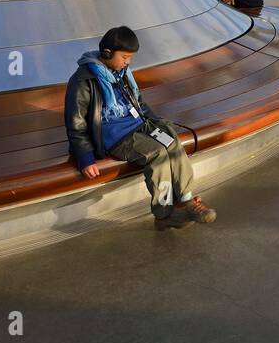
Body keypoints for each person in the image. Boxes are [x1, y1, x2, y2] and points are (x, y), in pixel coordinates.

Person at [65, 26, 216, 230]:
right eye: (125, 56)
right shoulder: (84, 80)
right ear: (107, 53)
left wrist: (158, 122)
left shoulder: (122, 73)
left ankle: (186, 200)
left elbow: (138, 103)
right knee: (158, 154)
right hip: (116, 136)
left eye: (130, 57)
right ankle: (164, 213)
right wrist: (84, 156)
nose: (128, 62)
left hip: (140, 126)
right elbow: (76, 122)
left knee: (171, 142)